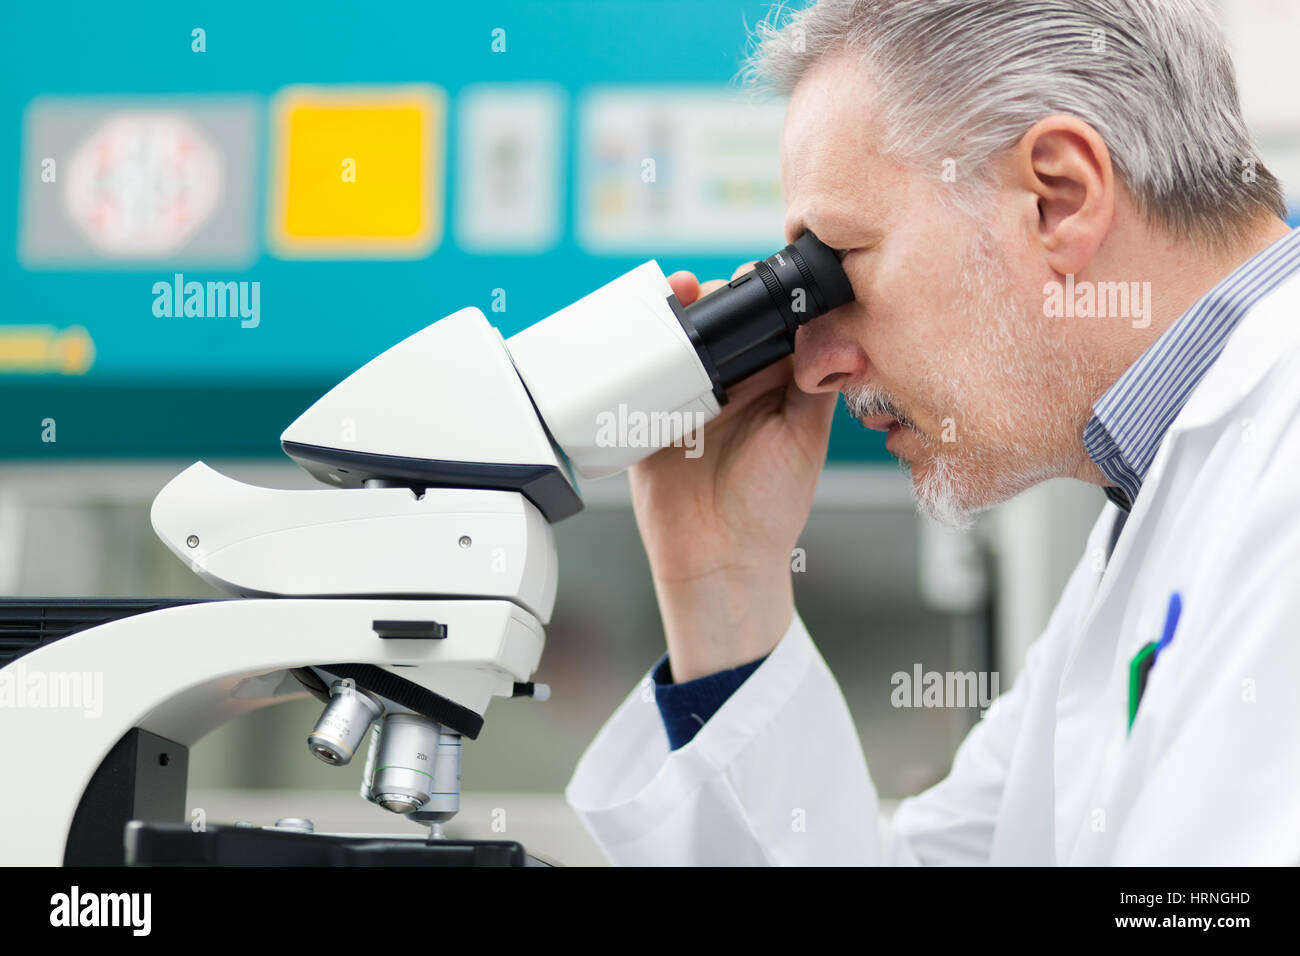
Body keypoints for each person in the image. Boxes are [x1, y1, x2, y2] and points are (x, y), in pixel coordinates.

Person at [564, 0, 1300, 865]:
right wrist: (721, 575)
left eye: (838, 264)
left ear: (1057, 201)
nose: (815, 366)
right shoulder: (1153, 510)